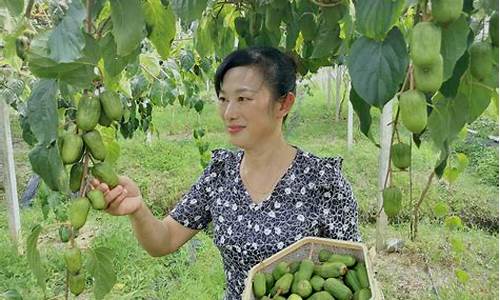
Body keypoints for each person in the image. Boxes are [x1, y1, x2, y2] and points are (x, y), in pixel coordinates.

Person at [91, 47, 361, 300]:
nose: (229, 112)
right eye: (223, 99)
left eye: (243, 98)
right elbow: (165, 240)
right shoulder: (220, 173)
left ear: (284, 104)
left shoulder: (324, 180)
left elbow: (356, 274)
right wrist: (138, 210)